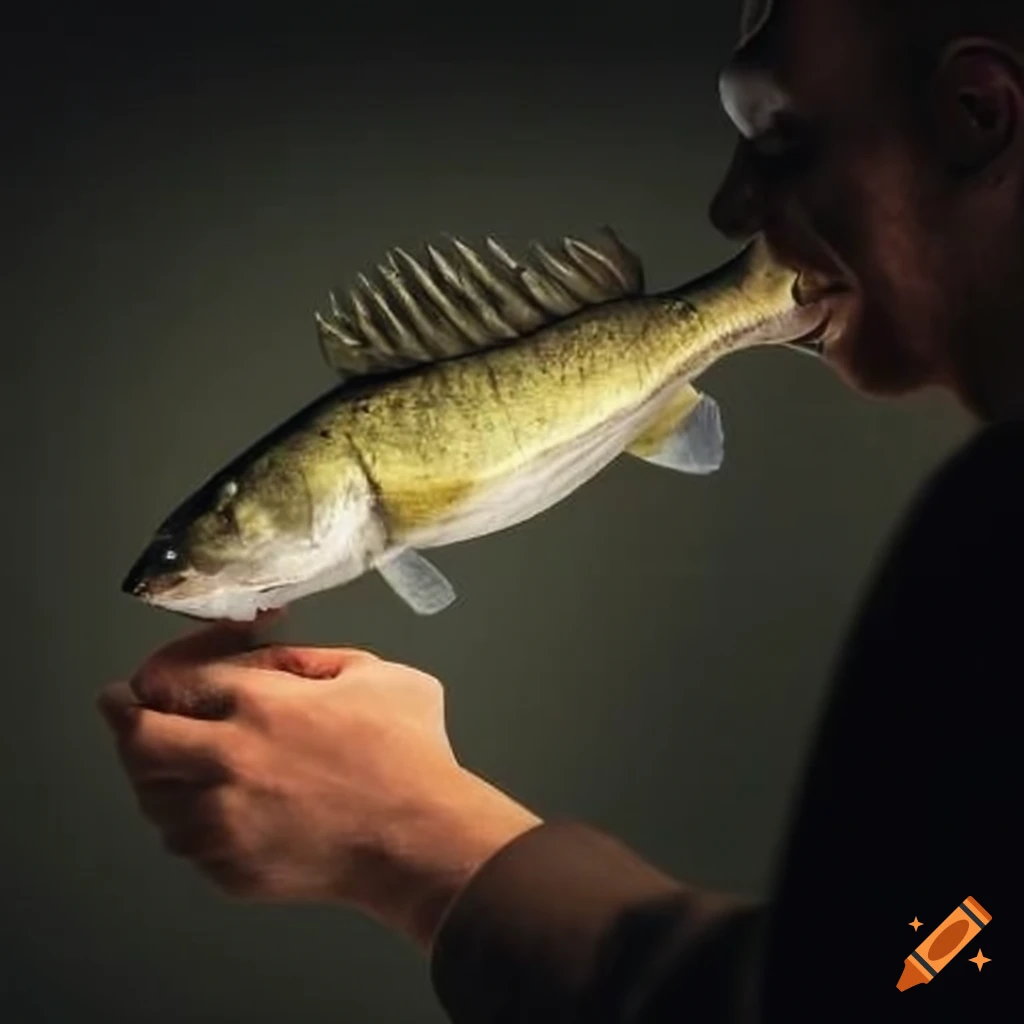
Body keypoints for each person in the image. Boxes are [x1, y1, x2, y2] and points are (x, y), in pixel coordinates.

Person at [98, 1, 1020, 1020]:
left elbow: (876, 994)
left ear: (978, 111)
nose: (731, 206)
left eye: (779, 137)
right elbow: (950, 945)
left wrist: (411, 835)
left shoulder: (989, 533)